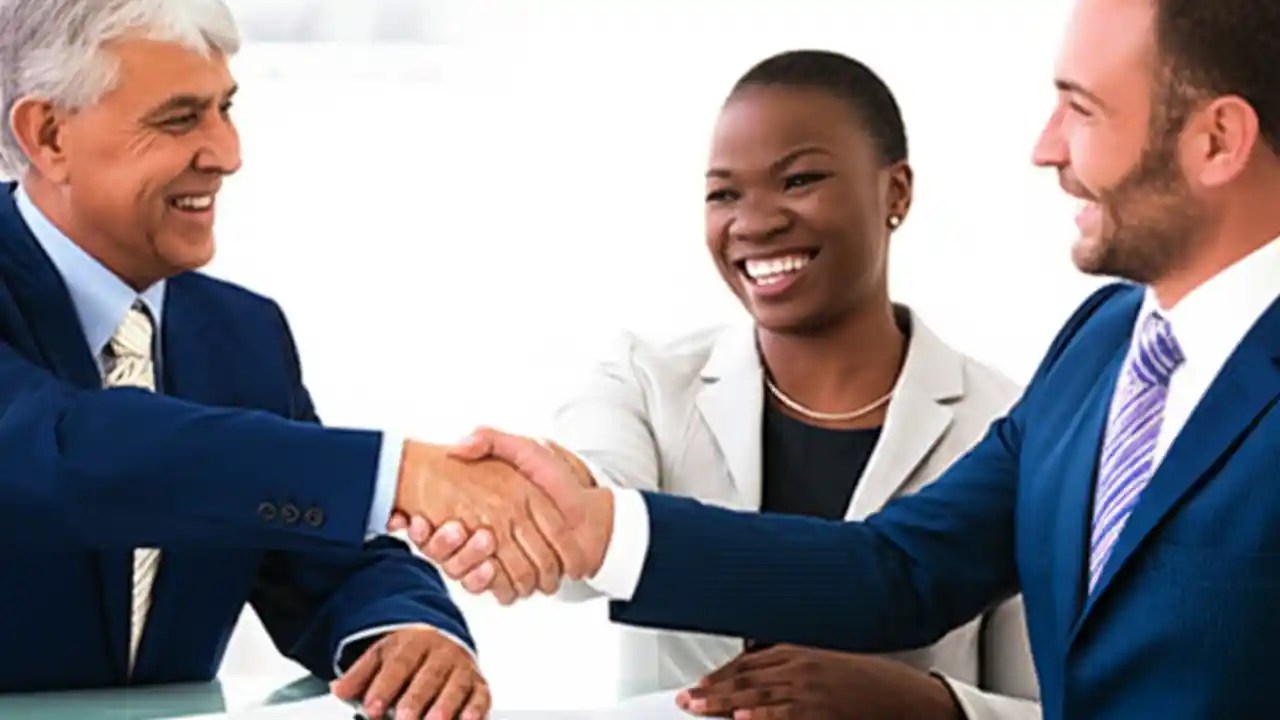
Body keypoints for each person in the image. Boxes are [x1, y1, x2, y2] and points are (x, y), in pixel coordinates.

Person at [419, 0, 1280, 717]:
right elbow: (897, 570)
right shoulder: (1104, 345)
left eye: (1082, 110)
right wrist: (598, 528)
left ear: (1216, 141)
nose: (1045, 148)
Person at [0, 2, 588, 717]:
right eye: (180, 119)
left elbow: (321, 554)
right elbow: (71, 454)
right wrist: (400, 472)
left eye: (225, 107)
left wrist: (407, 632)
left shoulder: (241, 333)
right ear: (49, 134)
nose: (227, 152)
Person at [416, 49, 1040, 719]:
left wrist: (925, 706)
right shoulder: (646, 383)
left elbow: (1052, 705)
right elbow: (586, 524)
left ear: (896, 192)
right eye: (723, 194)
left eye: (799, 180)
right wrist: (535, 507)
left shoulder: (1005, 425)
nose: (755, 221)